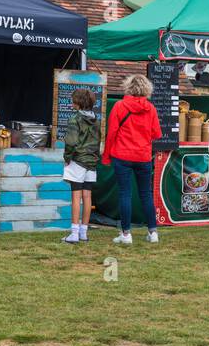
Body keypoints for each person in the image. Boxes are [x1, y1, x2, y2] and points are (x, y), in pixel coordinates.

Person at [102, 74, 162, 244]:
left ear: (128, 87)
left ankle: (126, 234)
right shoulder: (151, 108)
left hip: (122, 156)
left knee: (125, 194)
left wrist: (106, 157)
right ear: (147, 89)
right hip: (143, 156)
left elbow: (111, 134)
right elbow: (157, 134)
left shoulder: (119, 106)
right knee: (146, 195)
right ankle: (153, 232)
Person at [61, 86, 101, 244]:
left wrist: (67, 156)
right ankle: (84, 232)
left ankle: (74, 233)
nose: (72, 102)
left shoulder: (75, 119)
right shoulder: (96, 120)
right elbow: (98, 141)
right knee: (87, 196)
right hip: (92, 161)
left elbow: (70, 142)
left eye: (74, 100)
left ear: (78, 102)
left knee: (76, 196)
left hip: (78, 160)